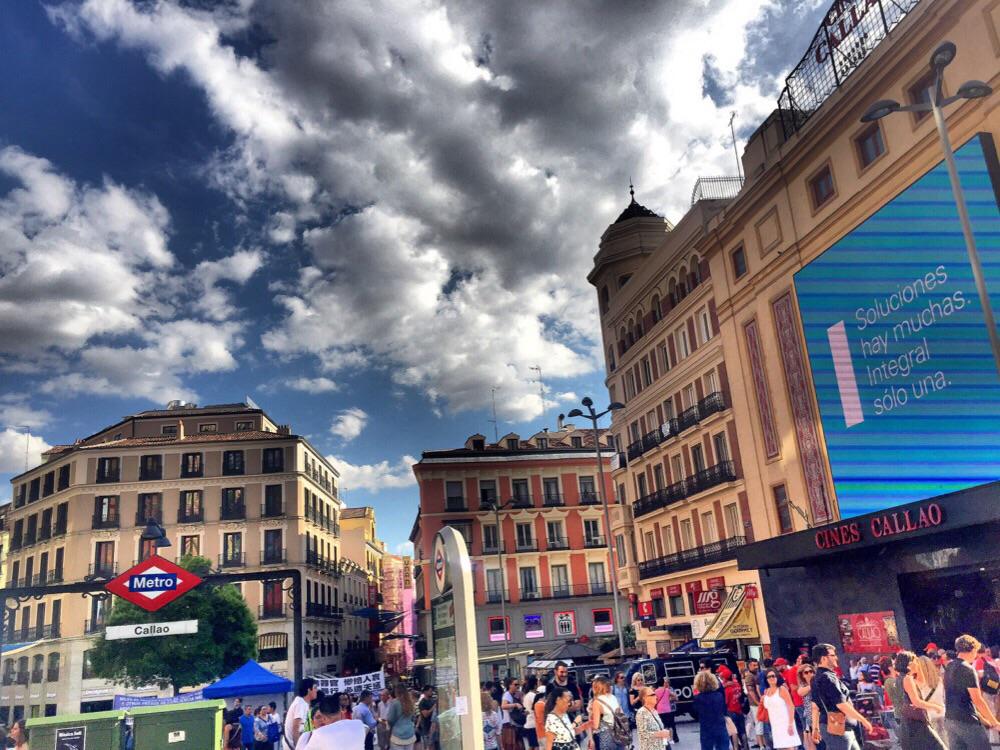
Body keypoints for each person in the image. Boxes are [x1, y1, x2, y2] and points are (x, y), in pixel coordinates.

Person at [810, 643, 873, 750]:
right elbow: (842, 704)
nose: (836, 658)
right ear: (824, 658)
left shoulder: (816, 678)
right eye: (833, 655)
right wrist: (863, 720)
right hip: (838, 728)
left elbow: (815, 706)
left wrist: (816, 728)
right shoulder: (828, 678)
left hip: (834, 726)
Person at [944, 634, 1000, 750]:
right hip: (968, 721)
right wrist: (994, 722)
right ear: (972, 649)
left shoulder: (949, 666)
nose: (976, 655)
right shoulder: (968, 669)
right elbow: (978, 700)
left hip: (950, 719)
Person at [893, 650, 945, 750]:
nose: (917, 664)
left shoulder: (899, 678)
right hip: (916, 721)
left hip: (909, 720)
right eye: (916, 661)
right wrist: (936, 706)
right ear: (909, 664)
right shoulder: (908, 679)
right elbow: (916, 701)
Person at [763, 669, 801, 750]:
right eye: (769, 677)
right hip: (775, 725)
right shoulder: (766, 692)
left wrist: (790, 724)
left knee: (789, 746)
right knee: (780, 747)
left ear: (777, 677)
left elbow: (791, 706)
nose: (771, 678)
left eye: (773, 676)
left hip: (785, 723)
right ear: (766, 679)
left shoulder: (782, 689)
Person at [694, 671, 730, 750]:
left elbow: (695, 714)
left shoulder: (697, 698)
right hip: (720, 726)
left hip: (706, 729)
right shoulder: (719, 695)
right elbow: (724, 709)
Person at [587, 675, 622, 750]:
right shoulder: (614, 698)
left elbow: (595, 726)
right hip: (619, 734)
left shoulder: (597, 702)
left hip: (605, 737)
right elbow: (621, 714)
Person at [636, 686, 673, 750]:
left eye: (655, 694)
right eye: (652, 695)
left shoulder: (654, 711)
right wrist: (659, 734)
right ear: (645, 698)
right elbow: (643, 734)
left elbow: (660, 729)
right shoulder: (641, 713)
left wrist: (665, 737)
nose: (655, 697)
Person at [287, 677, 319, 747]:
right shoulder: (300, 704)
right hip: (293, 745)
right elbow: (296, 728)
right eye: (315, 688)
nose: (316, 690)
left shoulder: (302, 703)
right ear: (308, 690)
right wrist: (298, 747)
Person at [387, 683, 417, 750]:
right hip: (410, 734)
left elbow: (390, 719)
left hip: (398, 736)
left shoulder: (395, 703)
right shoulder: (410, 702)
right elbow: (413, 717)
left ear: (396, 692)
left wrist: (391, 726)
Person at [724, 669, 748, 750]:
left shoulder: (727, 689)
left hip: (731, 711)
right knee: (742, 731)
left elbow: (726, 701)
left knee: (733, 732)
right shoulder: (737, 684)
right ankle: (746, 747)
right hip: (739, 710)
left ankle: (736, 748)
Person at [796, 663, 818, 750]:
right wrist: (812, 684)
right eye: (806, 672)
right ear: (802, 675)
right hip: (811, 717)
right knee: (813, 742)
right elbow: (800, 692)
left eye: (811, 671)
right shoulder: (803, 686)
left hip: (822, 716)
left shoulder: (818, 682)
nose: (809, 674)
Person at [500, 677, 523, 750]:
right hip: (509, 724)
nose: (517, 686)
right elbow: (503, 706)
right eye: (515, 684)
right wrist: (515, 705)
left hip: (513, 724)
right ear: (510, 685)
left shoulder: (513, 694)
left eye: (518, 684)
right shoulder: (507, 694)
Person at [655, 675, 679, 743]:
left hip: (660, 710)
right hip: (668, 710)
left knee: (662, 726)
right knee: (670, 726)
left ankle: (664, 740)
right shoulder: (667, 690)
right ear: (663, 683)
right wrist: (668, 699)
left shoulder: (656, 691)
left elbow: (655, 700)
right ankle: (671, 739)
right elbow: (675, 696)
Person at [523, 675, 541, 750]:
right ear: (535, 685)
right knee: (536, 746)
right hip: (534, 724)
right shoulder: (533, 696)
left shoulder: (526, 695)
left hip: (529, 723)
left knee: (532, 746)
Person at [534, 675, 551, 750]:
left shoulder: (538, 704)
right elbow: (542, 721)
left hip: (541, 734)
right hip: (544, 734)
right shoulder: (541, 705)